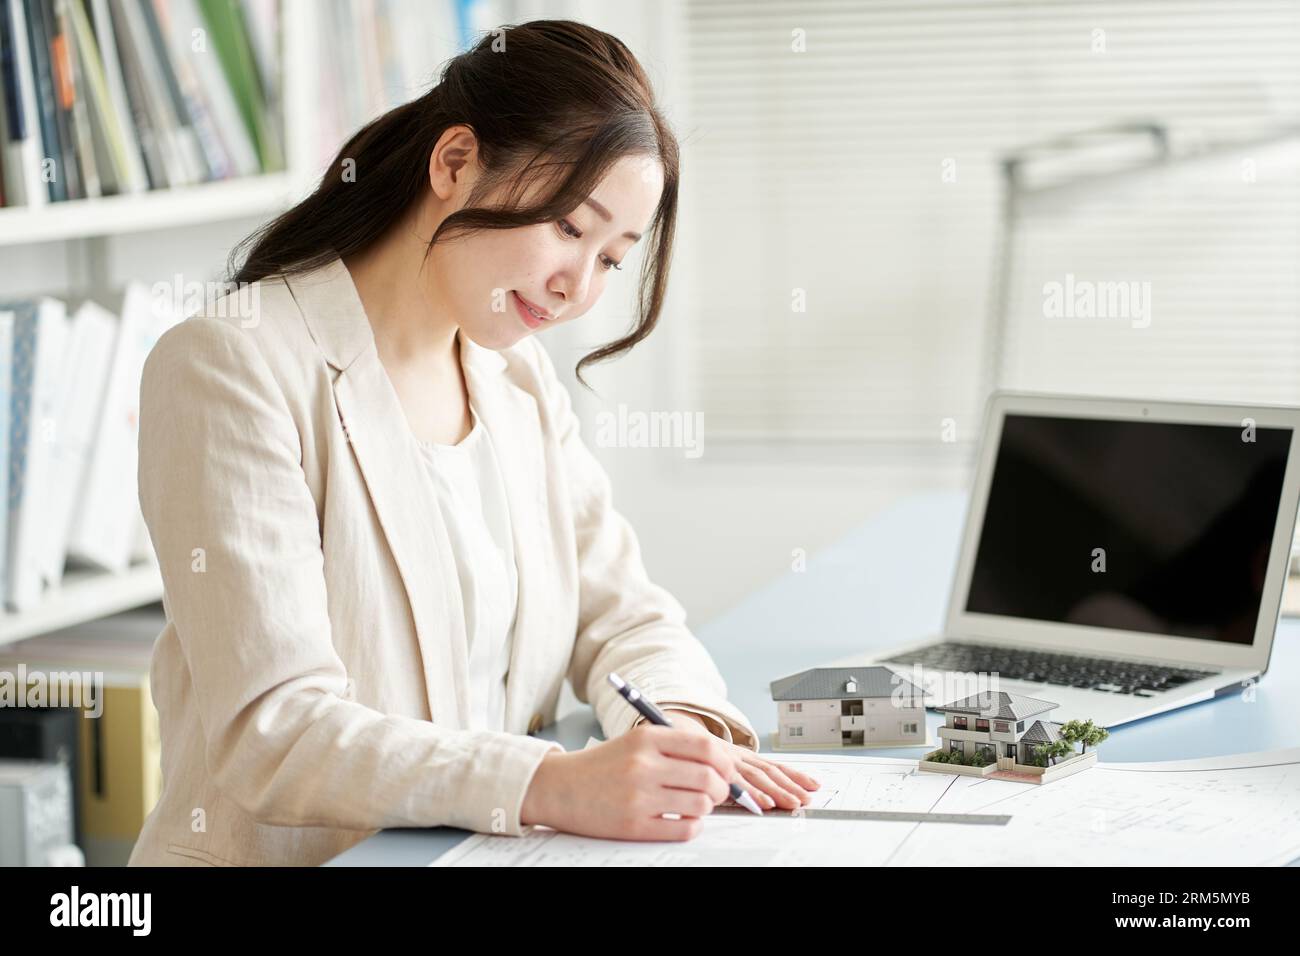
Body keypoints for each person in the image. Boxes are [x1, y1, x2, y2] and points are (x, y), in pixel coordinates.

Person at [128, 19, 817, 867]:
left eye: (611, 259)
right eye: (570, 227)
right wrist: (552, 785)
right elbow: (277, 730)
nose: (576, 289)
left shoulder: (516, 379)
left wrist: (684, 736)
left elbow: (623, 613)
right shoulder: (232, 364)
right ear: (455, 162)